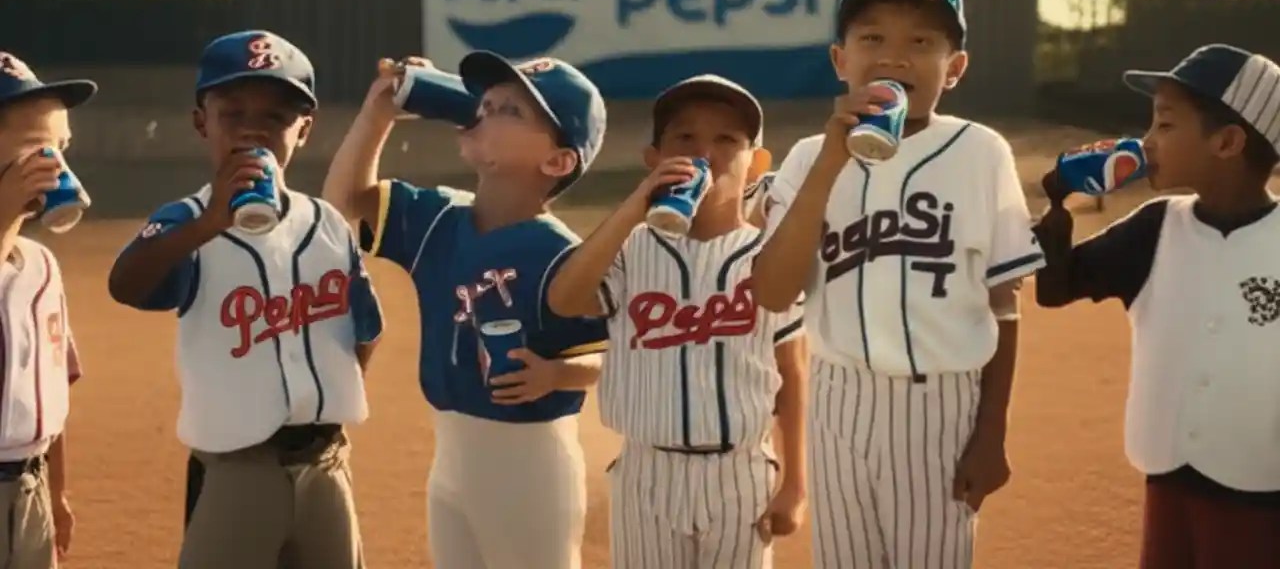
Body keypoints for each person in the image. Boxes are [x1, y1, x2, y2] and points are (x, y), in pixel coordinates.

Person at [751, 0, 1044, 569]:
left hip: (937, 404)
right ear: (841, 59)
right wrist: (832, 160)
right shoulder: (808, 159)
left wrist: (992, 432)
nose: (894, 56)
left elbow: (1004, 300)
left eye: (922, 41)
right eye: (872, 37)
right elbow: (774, 294)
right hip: (837, 399)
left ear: (954, 67)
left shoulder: (980, 153)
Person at [107, 31, 382, 569]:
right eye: (233, 112)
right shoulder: (184, 220)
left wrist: (322, 403)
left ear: (304, 130)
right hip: (238, 467)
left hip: (325, 462)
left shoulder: (327, 223)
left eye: (277, 116)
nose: (254, 127)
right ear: (200, 122)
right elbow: (127, 284)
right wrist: (211, 222)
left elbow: (367, 328)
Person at [323, 53, 609, 569]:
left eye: (511, 112)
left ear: (558, 161)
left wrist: (559, 373)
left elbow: (607, 353)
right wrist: (377, 114)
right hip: (452, 458)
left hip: (530, 463)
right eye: (488, 103)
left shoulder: (560, 253)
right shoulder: (438, 219)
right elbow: (343, 198)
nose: (486, 112)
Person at [1034, 44, 1280, 569]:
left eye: (1165, 126)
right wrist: (1056, 206)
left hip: (1262, 489)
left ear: (1228, 141)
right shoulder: (1154, 227)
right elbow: (1055, 289)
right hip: (1168, 475)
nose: (1146, 143)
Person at [547, 75, 807, 568]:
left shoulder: (770, 259)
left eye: (727, 140)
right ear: (654, 158)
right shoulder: (631, 251)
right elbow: (565, 299)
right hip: (648, 472)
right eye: (685, 138)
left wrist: (794, 484)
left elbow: (791, 375)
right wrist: (636, 206)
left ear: (757, 162)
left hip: (742, 473)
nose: (704, 153)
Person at [0, 52, 94, 567]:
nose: (56, 164)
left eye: (62, 147)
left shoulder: (40, 266)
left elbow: (52, 393)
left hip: (30, 488)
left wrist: (56, 492)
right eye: (38, 148)